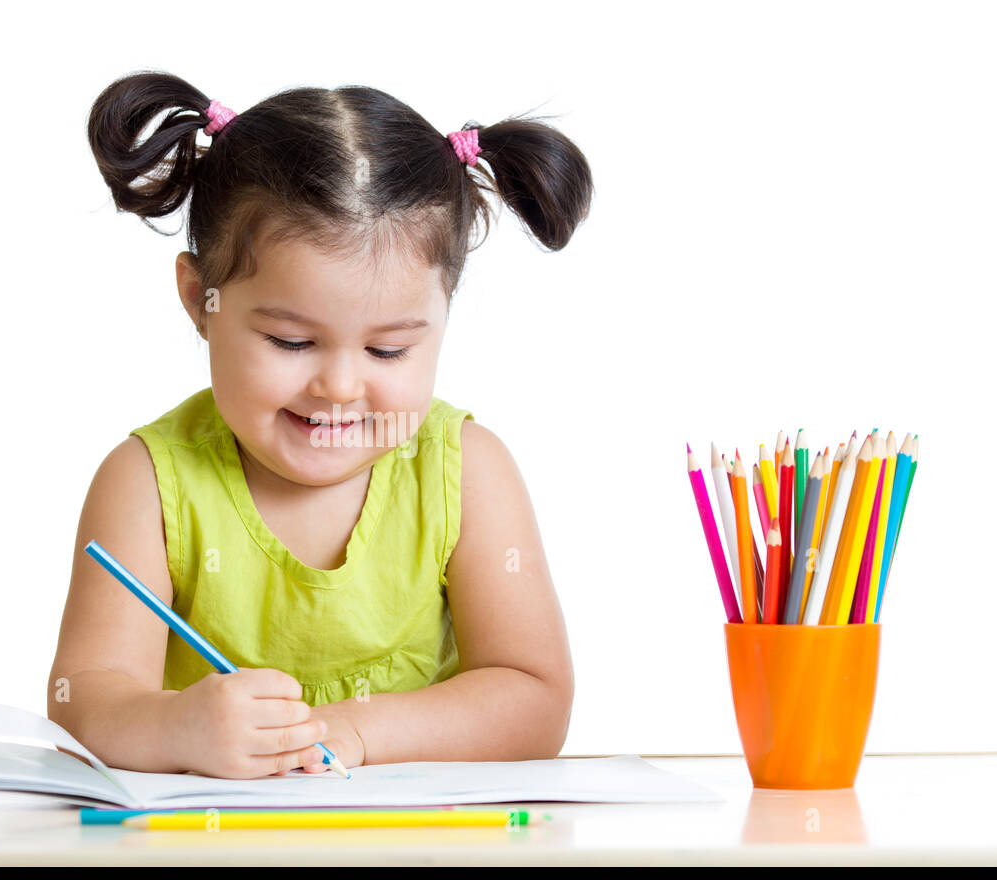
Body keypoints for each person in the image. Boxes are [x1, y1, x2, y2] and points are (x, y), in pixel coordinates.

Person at [48, 70, 592, 778]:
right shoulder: (147, 484)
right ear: (199, 301)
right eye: (291, 343)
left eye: (388, 349)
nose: (339, 386)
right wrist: (175, 728)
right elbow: (81, 703)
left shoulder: (467, 471)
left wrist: (359, 730)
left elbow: (534, 698)